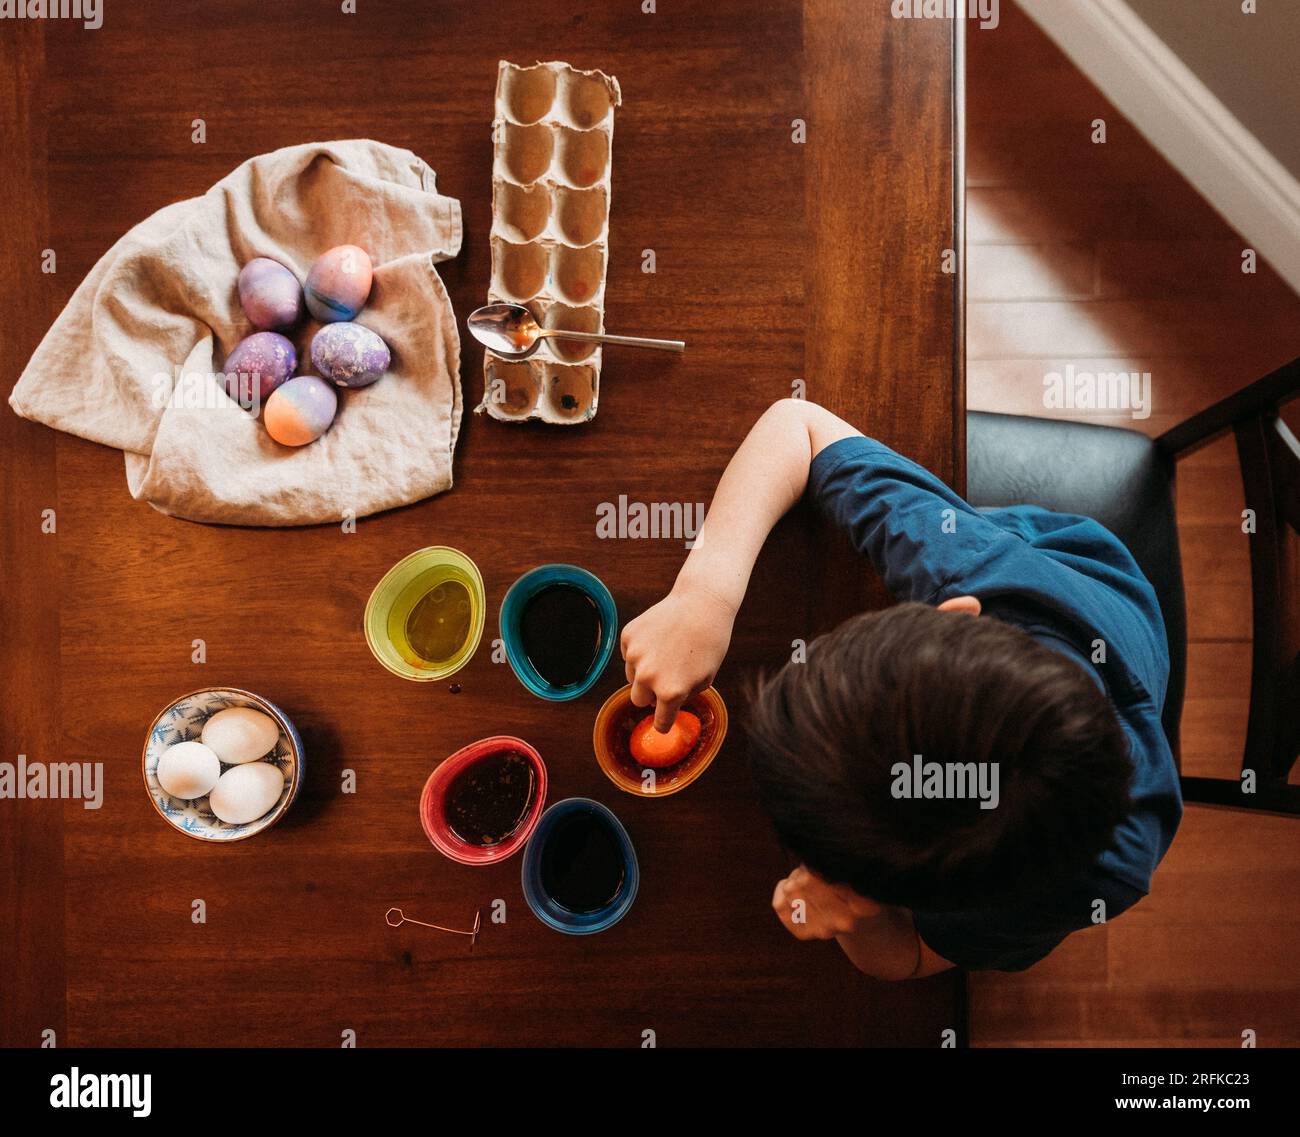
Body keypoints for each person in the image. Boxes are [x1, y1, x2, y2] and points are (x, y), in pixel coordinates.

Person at [619, 399, 1183, 977]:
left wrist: (857, 919)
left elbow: (910, 957)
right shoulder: (965, 564)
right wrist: (705, 593)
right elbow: (800, 426)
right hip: (1079, 573)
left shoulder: (1099, 873)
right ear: (957, 615)